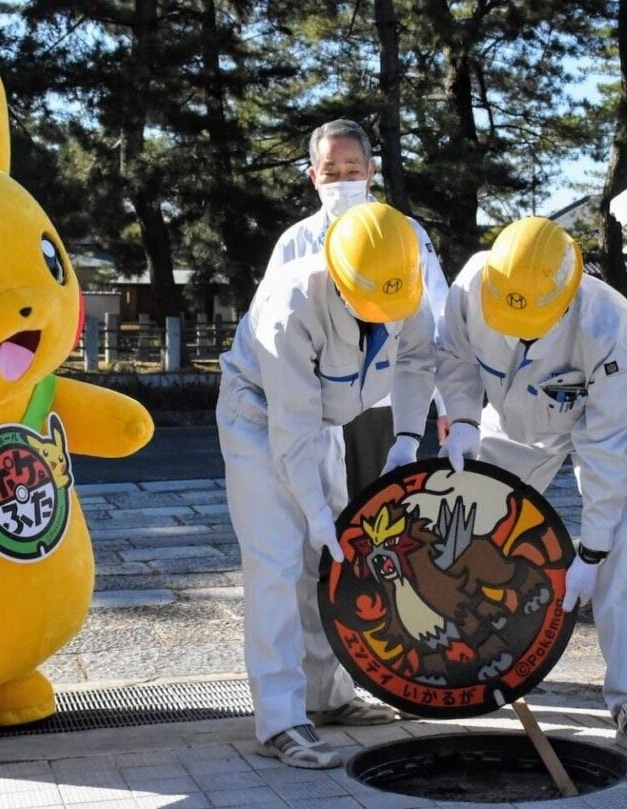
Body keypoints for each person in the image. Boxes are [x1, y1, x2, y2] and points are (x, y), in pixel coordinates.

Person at [435, 217, 627, 767]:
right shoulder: (472, 284)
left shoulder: (609, 325)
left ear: (566, 296)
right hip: (509, 427)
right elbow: (452, 357)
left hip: (596, 429)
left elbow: (608, 453)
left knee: (626, 541)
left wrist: (590, 553)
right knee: (458, 527)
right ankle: (453, 669)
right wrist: (464, 419)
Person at [218, 202, 437, 769]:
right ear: (339, 276)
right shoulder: (289, 304)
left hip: (324, 422)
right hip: (260, 417)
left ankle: (327, 696)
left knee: (329, 561)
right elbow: (290, 433)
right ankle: (280, 719)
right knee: (276, 561)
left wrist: (407, 440)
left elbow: (417, 360)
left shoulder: (403, 283)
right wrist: (316, 513)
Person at [264, 119, 448, 497]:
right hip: (313, 404)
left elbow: (436, 316)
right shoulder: (294, 241)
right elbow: (268, 323)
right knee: (317, 509)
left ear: (371, 171)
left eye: (353, 170)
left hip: (383, 403)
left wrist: (447, 405)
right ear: (313, 176)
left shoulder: (405, 233)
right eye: (331, 172)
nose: (342, 181)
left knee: (381, 509)